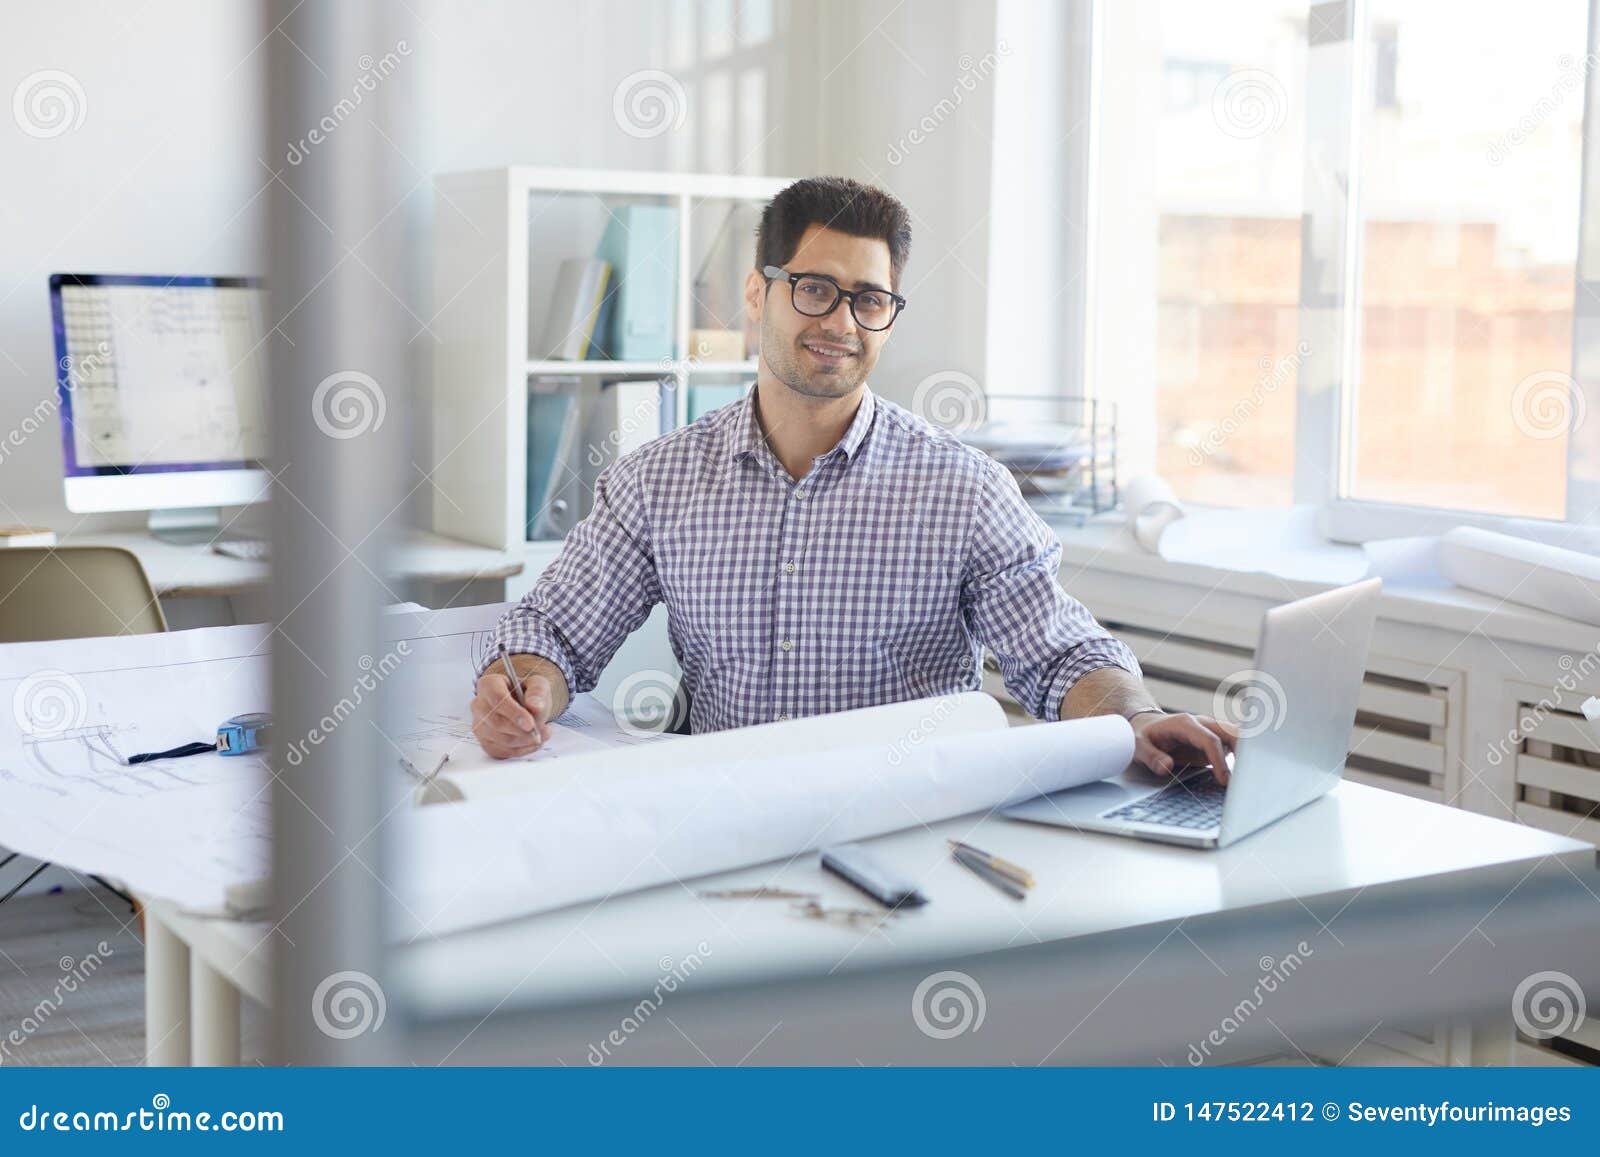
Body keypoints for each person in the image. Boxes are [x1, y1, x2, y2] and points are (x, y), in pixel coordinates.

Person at [471, 175, 1235, 781]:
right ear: (755, 295)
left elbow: (1062, 651)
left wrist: (1135, 715)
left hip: (911, 826)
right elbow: (556, 631)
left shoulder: (963, 490)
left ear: (888, 315)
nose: (840, 323)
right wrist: (525, 688)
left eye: (868, 299)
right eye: (814, 289)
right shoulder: (657, 483)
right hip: (725, 822)